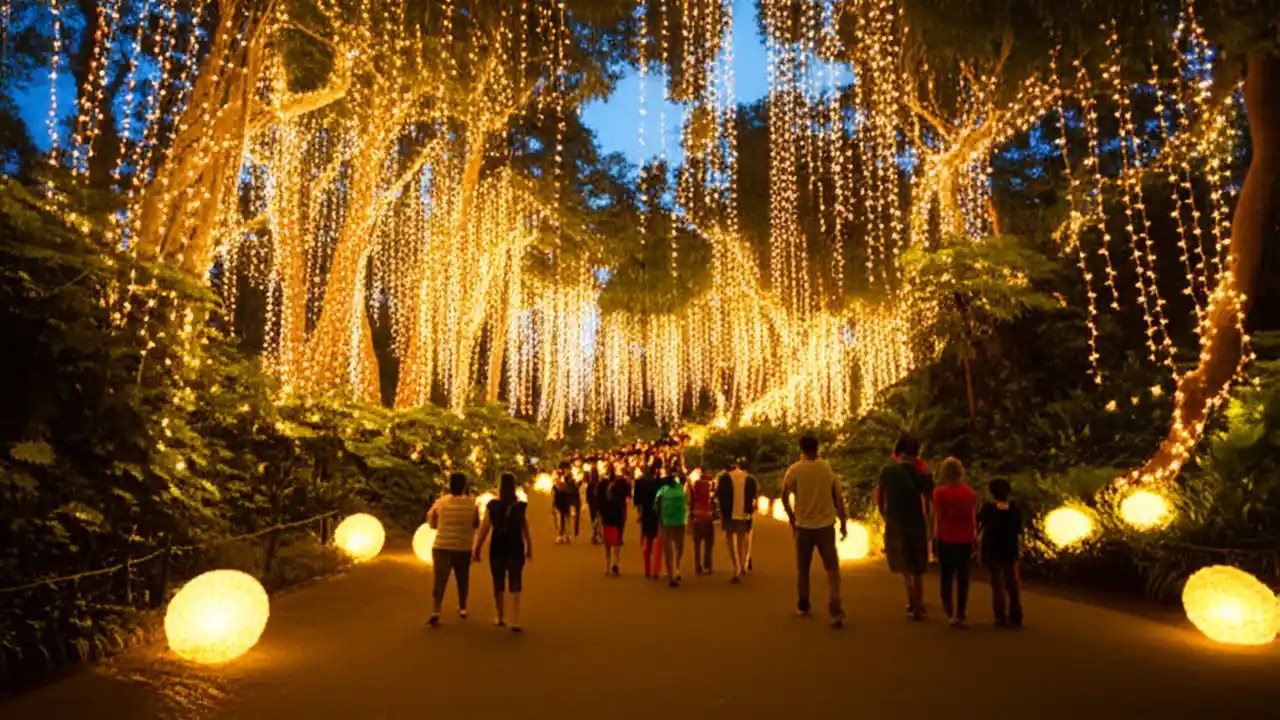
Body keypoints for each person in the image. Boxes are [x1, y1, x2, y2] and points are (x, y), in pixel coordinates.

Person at [781, 435, 848, 628]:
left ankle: (803, 605)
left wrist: (791, 517)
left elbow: (784, 495)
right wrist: (843, 522)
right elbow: (838, 497)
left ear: (801, 449)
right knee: (832, 568)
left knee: (803, 568)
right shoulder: (827, 468)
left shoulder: (794, 470)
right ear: (817, 448)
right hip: (826, 526)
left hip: (804, 525)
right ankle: (835, 607)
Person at [877, 435, 932, 621]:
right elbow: (930, 499)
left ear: (898, 452)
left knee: (904, 564)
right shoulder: (922, 474)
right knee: (917, 566)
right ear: (916, 454)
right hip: (916, 522)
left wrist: (884, 515)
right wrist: (930, 523)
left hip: (896, 522)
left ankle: (911, 599)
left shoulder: (887, 472)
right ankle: (919, 604)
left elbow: (881, 497)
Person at [473, 473, 532, 632]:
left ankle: (500, 616)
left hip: (498, 546)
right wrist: (529, 546)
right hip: (515, 546)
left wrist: (477, 548)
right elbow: (525, 527)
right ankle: (516, 619)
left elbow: (485, 527)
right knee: (516, 581)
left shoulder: (493, 506)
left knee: (498, 581)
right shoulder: (520, 506)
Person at [426, 472, 479, 628]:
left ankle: (436, 611)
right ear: (464, 486)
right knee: (462, 579)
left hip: (442, 546)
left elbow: (432, 523)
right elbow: (476, 523)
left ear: (449, 485)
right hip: (463, 547)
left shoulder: (441, 502)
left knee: (440, 580)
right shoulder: (472, 503)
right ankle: (462, 607)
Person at [932, 457, 976, 628]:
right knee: (963, 576)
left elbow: (939, 517)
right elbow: (971, 517)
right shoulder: (969, 492)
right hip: (965, 537)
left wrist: (934, 538)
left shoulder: (939, 493)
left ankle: (949, 611)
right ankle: (961, 612)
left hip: (946, 536)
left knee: (946, 575)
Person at [979, 478, 1024, 628]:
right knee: (1012, 582)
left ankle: (1000, 615)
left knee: (997, 582)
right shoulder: (1015, 509)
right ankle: (1016, 615)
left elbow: (981, 524)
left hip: (992, 548)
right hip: (1010, 548)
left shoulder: (988, 509)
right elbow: (1019, 529)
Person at [716, 459, 758, 583]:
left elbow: (720, 496)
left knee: (730, 539)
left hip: (729, 514)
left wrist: (721, 513)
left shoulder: (725, 479)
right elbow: (753, 498)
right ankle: (743, 563)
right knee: (743, 538)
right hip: (745, 514)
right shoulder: (750, 480)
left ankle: (736, 566)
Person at [654, 472, 688, 587]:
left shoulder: (662, 490)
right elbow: (686, 502)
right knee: (679, 548)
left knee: (668, 551)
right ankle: (677, 569)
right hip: (680, 522)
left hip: (666, 523)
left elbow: (656, 505)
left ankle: (671, 577)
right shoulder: (681, 489)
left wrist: (659, 520)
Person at [633, 460, 664, 579]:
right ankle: (655, 570)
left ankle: (647, 569)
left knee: (647, 542)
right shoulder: (659, 484)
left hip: (646, 513)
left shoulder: (641, 483)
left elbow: (638, 501)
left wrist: (640, 514)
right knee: (657, 544)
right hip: (656, 514)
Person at [598, 466, 631, 575]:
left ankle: (608, 565)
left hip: (607, 518)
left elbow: (600, 503)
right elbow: (624, 502)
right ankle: (615, 563)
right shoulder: (619, 487)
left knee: (607, 544)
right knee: (616, 542)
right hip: (616, 518)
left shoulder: (603, 486)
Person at [688, 468, 715, 575]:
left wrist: (691, 515)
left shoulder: (696, 485)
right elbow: (713, 501)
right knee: (709, 544)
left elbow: (691, 501)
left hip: (697, 516)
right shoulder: (711, 486)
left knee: (697, 545)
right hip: (708, 516)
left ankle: (697, 565)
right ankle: (708, 564)